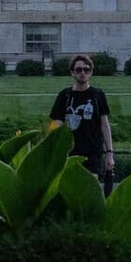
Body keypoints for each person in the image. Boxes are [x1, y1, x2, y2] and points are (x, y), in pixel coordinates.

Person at [48, 57, 116, 192]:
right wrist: (49, 144)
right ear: (72, 72)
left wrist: (109, 153)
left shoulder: (98, 95)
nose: (83, 73)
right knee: (71, 190)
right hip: (70, 152)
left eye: (86, 69)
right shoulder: (65, 96)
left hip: (92, 151)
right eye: (79, 70)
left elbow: (104, 125)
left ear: (91, 72)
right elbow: (56, 123)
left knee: (89, 188)